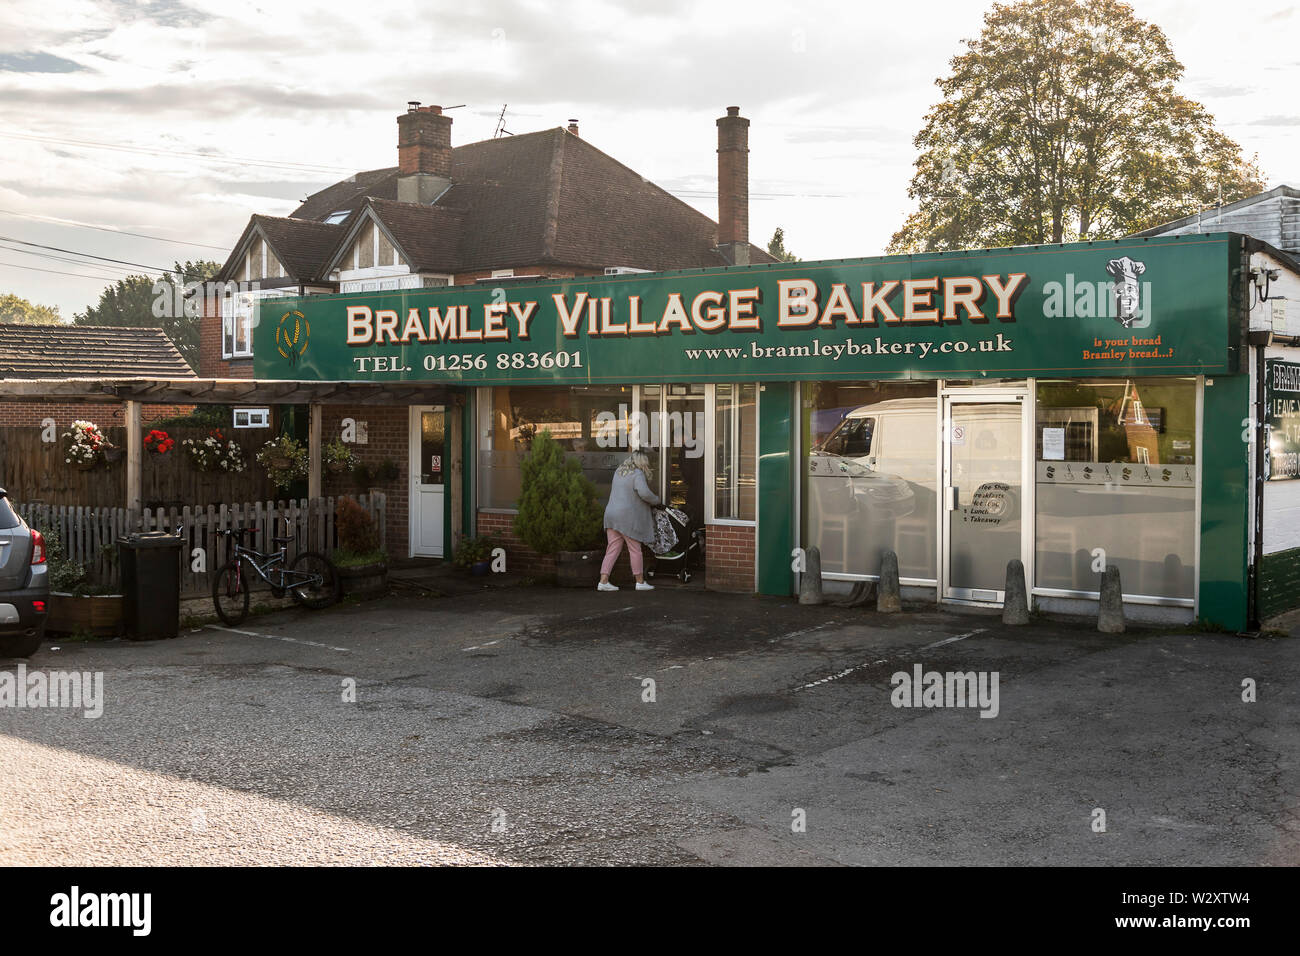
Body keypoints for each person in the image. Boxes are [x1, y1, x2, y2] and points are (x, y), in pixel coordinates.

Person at [598, 451, 659, 592]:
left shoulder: (619, 472)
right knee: (635, 549)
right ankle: (640, 581)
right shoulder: (637, 474)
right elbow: (644, 493)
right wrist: (656, 500)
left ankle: (603, 581)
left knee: (612, 549)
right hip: (626, 518)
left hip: (611, 514)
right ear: (641, 462)